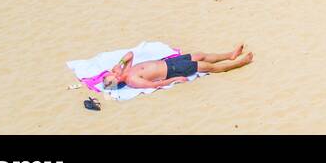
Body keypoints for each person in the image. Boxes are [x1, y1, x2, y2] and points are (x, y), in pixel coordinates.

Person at [101, 45, 252, 91]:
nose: (113, 73)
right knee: (207, 67)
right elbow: (155, 84)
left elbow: (130, 54)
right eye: (112, 75)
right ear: (117, 80)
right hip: (172, 70)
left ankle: (229, 55)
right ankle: (239, 63)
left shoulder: (126, 71)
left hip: (170, 62)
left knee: (200, 54)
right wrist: (175, 79)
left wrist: (119, 63)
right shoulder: (132, 80)